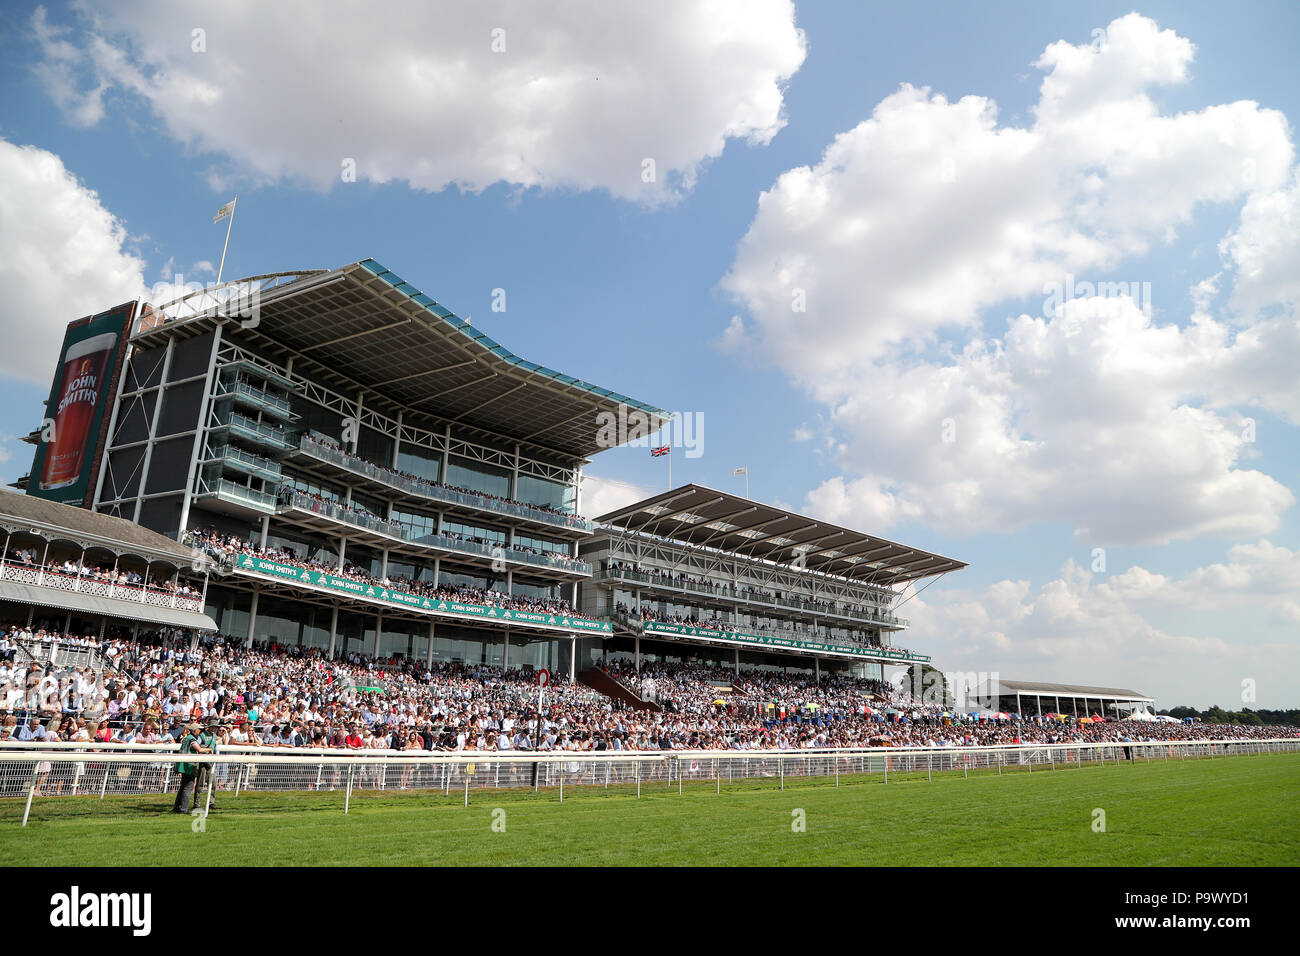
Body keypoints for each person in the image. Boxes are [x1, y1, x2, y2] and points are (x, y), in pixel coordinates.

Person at [172, 721, 208, 813]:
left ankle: (177, 808)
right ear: (195, 730)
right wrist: (209, 749)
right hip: (188, 766)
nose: (200, 732)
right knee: (188, 788)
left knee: (183, 787)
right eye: (199, 730)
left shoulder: (187, 738)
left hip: (183, 765)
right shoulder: (192, 739)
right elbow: (199, 749)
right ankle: (183, 809)